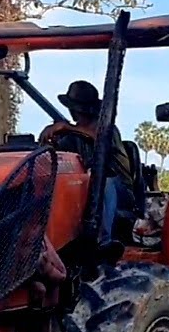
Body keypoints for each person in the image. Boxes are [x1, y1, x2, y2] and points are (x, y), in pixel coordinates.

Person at [42, 80, 134, 247]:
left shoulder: (108, 129)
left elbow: (99, 138)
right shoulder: (70, 137)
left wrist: (67, 127)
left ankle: (103, 243)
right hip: (85, 188)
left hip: (119, 190)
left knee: (103, 181)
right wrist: (51, 143)